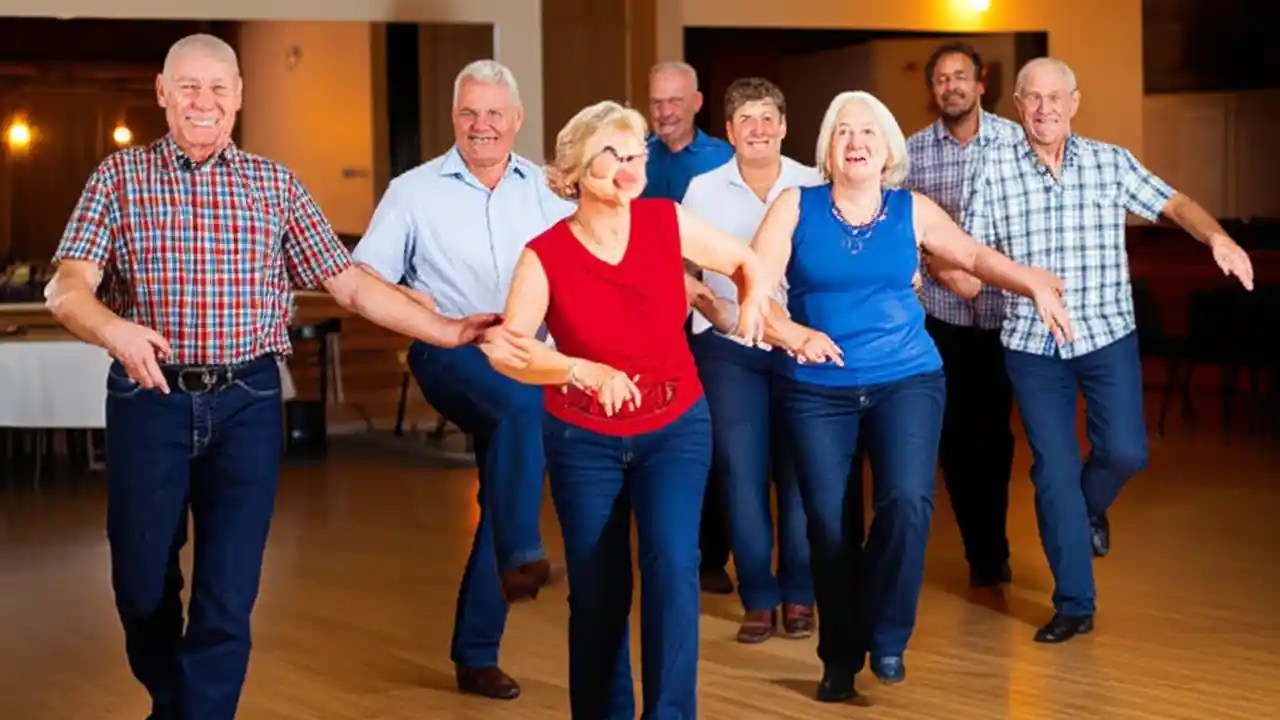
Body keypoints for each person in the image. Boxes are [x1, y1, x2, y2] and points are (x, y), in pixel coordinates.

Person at [43, 34, 501, 720]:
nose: (204, 102)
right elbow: (65, 287)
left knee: (228, 592)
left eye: (218, 88)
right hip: (151, 401)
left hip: (248, 402)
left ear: (239, 97)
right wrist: (113, 328)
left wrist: (447, 330)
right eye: (189, 88)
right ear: (163, 93)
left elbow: (349, 284)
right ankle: (174, 701)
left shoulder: (274, 184)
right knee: (141, 584)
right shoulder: (119, 178)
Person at [749, 90, 1071, 702]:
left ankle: (888, 635)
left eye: (868, 131)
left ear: (889, 147)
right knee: (829, 525)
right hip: (817, 388)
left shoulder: (911, 209)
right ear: (827, 148)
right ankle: (840, 657)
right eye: (843, 131)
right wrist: (791, 332)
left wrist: (1029, 281)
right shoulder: (795, 206)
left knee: (907, 502)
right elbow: (757, 287)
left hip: (907, 378)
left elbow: (971, 254)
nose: (856, 142)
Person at [479, 100, 770, 719]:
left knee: (672, 570)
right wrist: (581, 369)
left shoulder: (669, 222)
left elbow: (747, 262)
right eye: (612, 154)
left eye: (635, 152)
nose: (629, 165)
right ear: (577, 170)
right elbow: (509, 352)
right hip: (582, 439)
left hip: (675, 428)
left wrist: (752, 304)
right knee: (597, 591)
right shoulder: (546, 253)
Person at [966, 57, 1255, 643]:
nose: (1044, 108)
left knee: (1125, 452)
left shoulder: (1108, 161)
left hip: (1106, 335)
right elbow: (975, 257)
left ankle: (1088, 508)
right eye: (1033, 98)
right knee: (1053, 472)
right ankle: (1075, 602)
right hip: (1031, 343)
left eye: (1056, 97)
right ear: (1018, 106)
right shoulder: (990, 169)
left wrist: (1216, 236)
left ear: (1074, 102)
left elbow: (1173, 204)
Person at [350, 59, 575, 700]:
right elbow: (365, 278)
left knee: (511, 466)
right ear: (454, 118)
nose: (482, 126)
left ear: (517, 120)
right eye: (470, 113)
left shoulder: (550, 189)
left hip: (533, 355)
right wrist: (432, 316)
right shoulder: (413, 190)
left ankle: (477, 650)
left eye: (494, 114)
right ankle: (524, 551)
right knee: (523, 416)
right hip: (453, 352)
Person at [680, 77, 819, 643]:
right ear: (729, 132)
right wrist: (711, 310)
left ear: (784, 126)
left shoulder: (814, 183)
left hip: (800, 345)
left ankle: (800, 594)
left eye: (768, 118)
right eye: (746, 120)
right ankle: (758, 595)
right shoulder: (702, 189)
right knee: (740, 470)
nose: (758, 129)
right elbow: (686, 270)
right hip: (729, 347)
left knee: (801, 471)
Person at [905, 42, 1025, 589]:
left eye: (960, 77)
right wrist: (942, 270)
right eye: (941, 80)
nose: (950, 86)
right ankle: (980, 553)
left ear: (981, 84)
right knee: (954, 436)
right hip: (943, 316)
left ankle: (993, 544)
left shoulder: (1017, 143)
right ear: (933, 91)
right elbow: (900, 232)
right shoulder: (911, 154)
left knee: (996, 438)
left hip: (1006, 317)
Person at [643, 61, 735, 202]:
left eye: (675, 102)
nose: (665, 112)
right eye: (657, 103)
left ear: (697, 102)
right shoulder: (636, 157)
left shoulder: (724, 159)